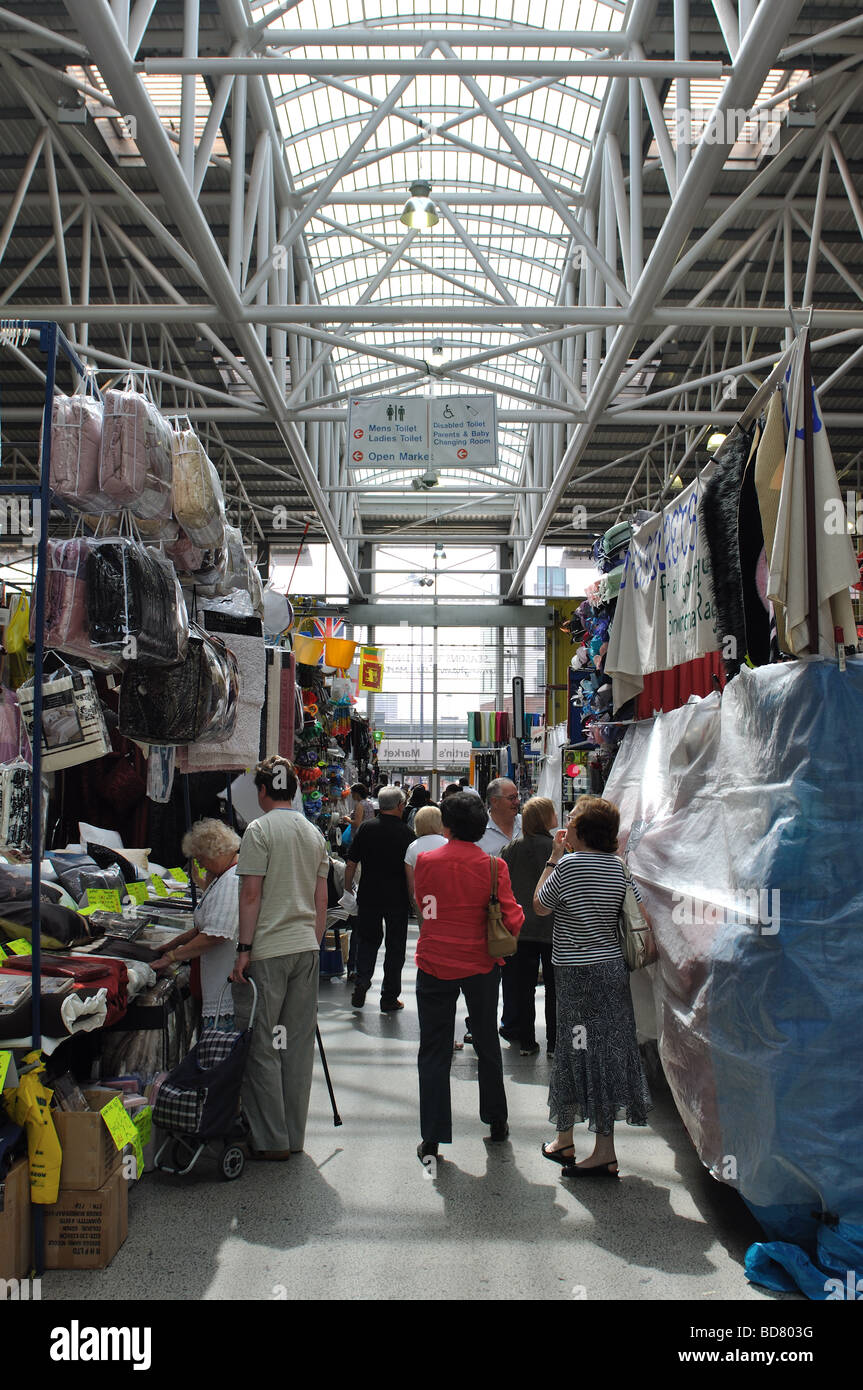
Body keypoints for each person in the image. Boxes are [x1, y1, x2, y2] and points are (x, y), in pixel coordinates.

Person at [533, 796, 653, 1177]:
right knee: (607, 1050)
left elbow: (540, 905)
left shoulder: (568, 865)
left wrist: (554, 857)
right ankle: (582, 1141)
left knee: (574, 1049)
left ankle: (585, 1146)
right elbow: (637, 916)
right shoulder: (619, 868)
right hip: (610, 971)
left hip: (574, 974)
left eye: (571, 821)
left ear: (581, 832)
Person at [413, 792, 524, 1163]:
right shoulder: (494, 867)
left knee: (434, 1048)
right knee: (487, 1040)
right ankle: (497, 1120)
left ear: (446, 825)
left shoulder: (427, 861)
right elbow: (513, 918)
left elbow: (425, 907)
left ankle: (433, 1135)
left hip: (434, 963)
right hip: (480, 965)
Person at [230, 756, 329, 1161]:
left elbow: (251, 894)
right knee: (296, 1045)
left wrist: (243, 948)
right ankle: (293, 1135)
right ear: (295, 789)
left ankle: (270, 1140)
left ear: (263, 790)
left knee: (263, 1043)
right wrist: (315, 941)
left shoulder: (258, 830)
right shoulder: (313, 833)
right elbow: (321, 899)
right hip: (305, 947)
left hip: (269, 950)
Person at [152, 818, 240, 1030]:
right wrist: (174, 944)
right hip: (215, 983)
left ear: (214, 851)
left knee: (220, 1055)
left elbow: (215, 934)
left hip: (224, 987)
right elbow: (204, 926)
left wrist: (172, 957)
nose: (199, 864)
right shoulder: (222, 876)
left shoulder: (231, 880)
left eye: (200, 858)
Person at [343, 785, 415, 1011]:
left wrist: (347, 889)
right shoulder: (406, 833)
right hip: (397, 898)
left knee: (367, 940)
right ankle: (389, 996)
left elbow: (351, 863)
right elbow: (410, 870)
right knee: (395, 947)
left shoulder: (366, 829)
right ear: (400, 806)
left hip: (369, 895)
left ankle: (363, 979)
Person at [501, 796, 557, 1057]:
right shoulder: (558, 849)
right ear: (545, 817)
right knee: (555, 988)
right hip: (553, 929)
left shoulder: (512, 848)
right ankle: (555, 1043)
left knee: (522, 987)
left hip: (520, 929)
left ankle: (526, 1041)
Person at [477, 778, 523, 1040]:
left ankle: (511, 1022)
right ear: (494, 802)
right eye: (512, 798)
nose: (517, 802)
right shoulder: (479, 832)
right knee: (487, 973)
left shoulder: (525, 826)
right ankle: (480, 1023)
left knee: (516, 975)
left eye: (517, 797)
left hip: (520, 911)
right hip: (489, 914)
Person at [403, 804, 447, 907]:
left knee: (425, 923)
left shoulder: (413, 847)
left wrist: (412, 899)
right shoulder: (447, 843)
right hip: (445, 898)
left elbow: (410, 879)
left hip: (422, 899)